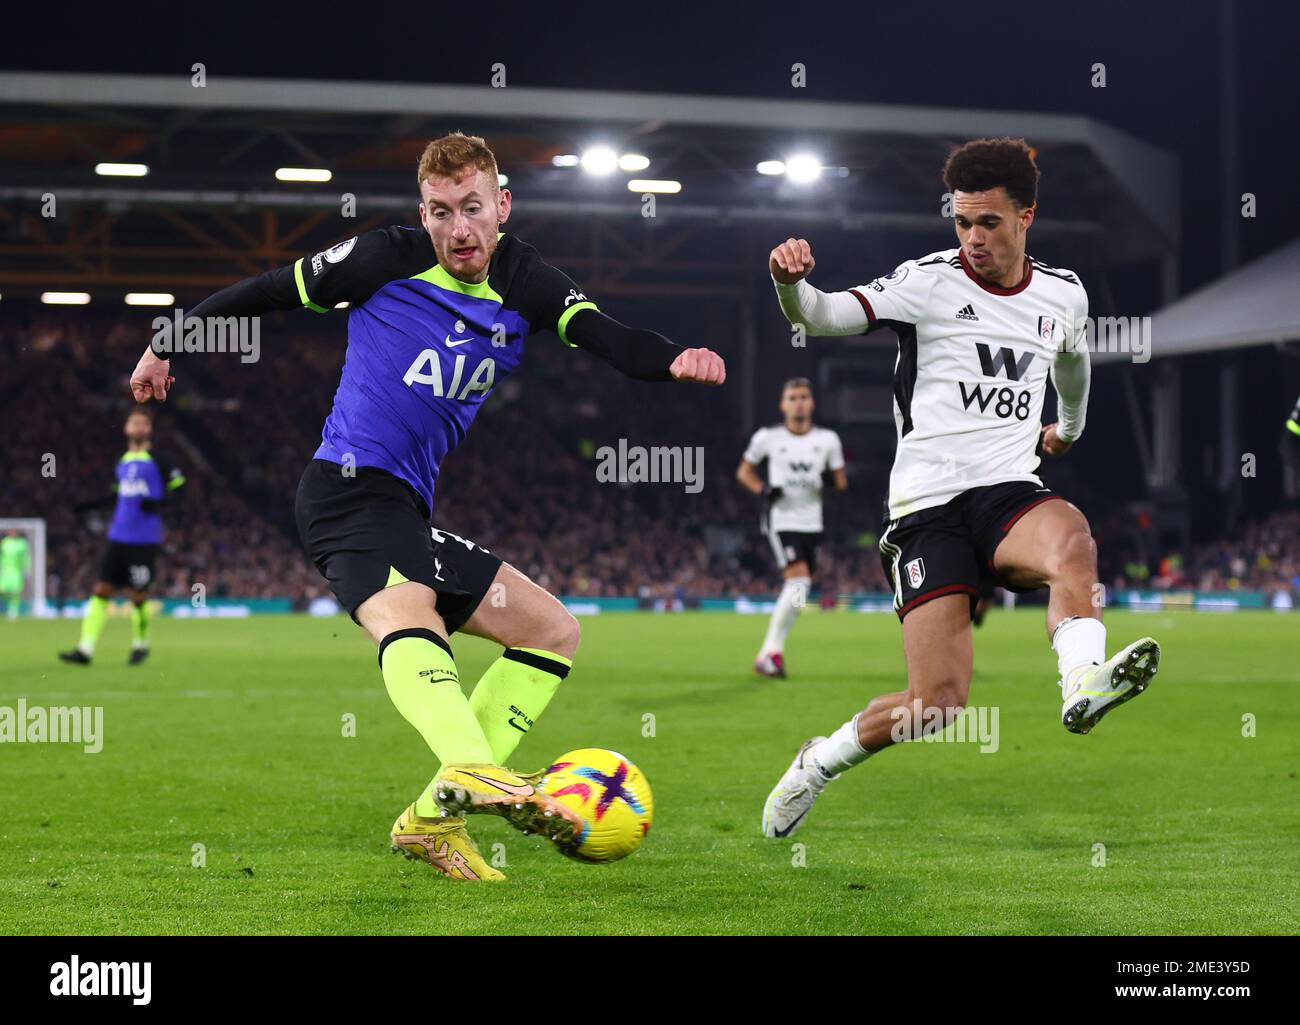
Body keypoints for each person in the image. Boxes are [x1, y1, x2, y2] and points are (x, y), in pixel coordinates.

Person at [129, 132, 725, 882]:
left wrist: (672, 360)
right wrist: (166, 343)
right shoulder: (385, 256)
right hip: (346, 493)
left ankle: (432, 819)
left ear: (502, 206)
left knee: (551, 629)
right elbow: (267, 290)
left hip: (405, 510)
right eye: (441, 212)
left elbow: (610, 337)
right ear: (424, 212)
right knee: (410, 611)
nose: (458, 229)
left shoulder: (526, 279)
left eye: (472, 209)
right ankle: (476, 767)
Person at [760, 137, 1160, 839]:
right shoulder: (927, 282)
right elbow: (820, 317)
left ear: (1026, 215)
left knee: (1072, 538)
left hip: (1008, 490)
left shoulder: (1063, 294)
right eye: (963, 222)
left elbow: (1074, 367)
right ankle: (817, 762)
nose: (973, 237)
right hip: (926, 510)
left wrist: (1066, 428)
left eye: (990, 223)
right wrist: (790, 283)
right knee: (936, 703)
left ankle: (1083, 684)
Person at [736, 377, 846, 677]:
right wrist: (763, 490)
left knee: (801, 588)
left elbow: (840, 481)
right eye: (793, 397)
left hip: (813, 521)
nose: (798, 402)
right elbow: (745, 472)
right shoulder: (767, 438)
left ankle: (771, 651)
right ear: (782, 405)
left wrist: (821, 480)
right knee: (798, 582)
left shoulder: (827, 440)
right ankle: (770, 653)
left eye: (804, 397)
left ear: (812, 403)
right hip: (781, 519)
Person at [59, 409, 185, 665]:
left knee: (138, 594)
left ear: (149, 430)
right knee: (101, 589)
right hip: (118, 535)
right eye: (134, 422)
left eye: (143, 423)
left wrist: (160, 504)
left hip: (144, 539)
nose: (138, 427)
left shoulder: (161, 460)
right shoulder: (122, 461)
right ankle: (85, 649)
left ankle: (141, 644)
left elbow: (180, 488)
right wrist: (86, 506)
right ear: (127, 429)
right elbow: (116, 496)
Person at [1, 528, 31, 621]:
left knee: (15, 592)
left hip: (16, 571)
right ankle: (5, 608)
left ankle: (13, 611)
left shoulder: (22, 544)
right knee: (2, 590)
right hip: (5, 570)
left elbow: (26, 557)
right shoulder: (4, 542)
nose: (12, 532)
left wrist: (26, 569)